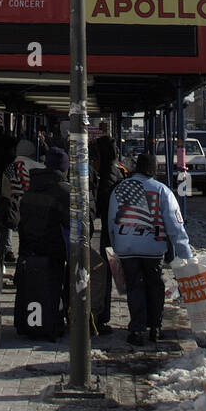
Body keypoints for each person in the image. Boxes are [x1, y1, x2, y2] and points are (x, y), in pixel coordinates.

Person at [108, 152, 193, 345]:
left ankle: (137, 328)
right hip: (153, 248)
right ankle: (155, 327)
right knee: (155, 285)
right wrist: (184, 253)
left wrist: (116, 246)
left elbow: (112, 221)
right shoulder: (162, 190)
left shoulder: (119, 189)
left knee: (134, 287)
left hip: (126, 247)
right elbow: (175, 225)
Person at [93, 136, 126, 334]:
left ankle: (102, 315)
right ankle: (103, 315)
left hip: (111, 232)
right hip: (115, 231)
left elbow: (104, 205)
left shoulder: (108, 173)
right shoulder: (114, 169)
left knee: (106, 273)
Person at [0, 138, 41, 265]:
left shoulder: (11, 167)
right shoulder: (38, 167)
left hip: (16, 204)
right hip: (33, 208)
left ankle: (9, 250)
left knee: (11, 228)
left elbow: (6, 189)